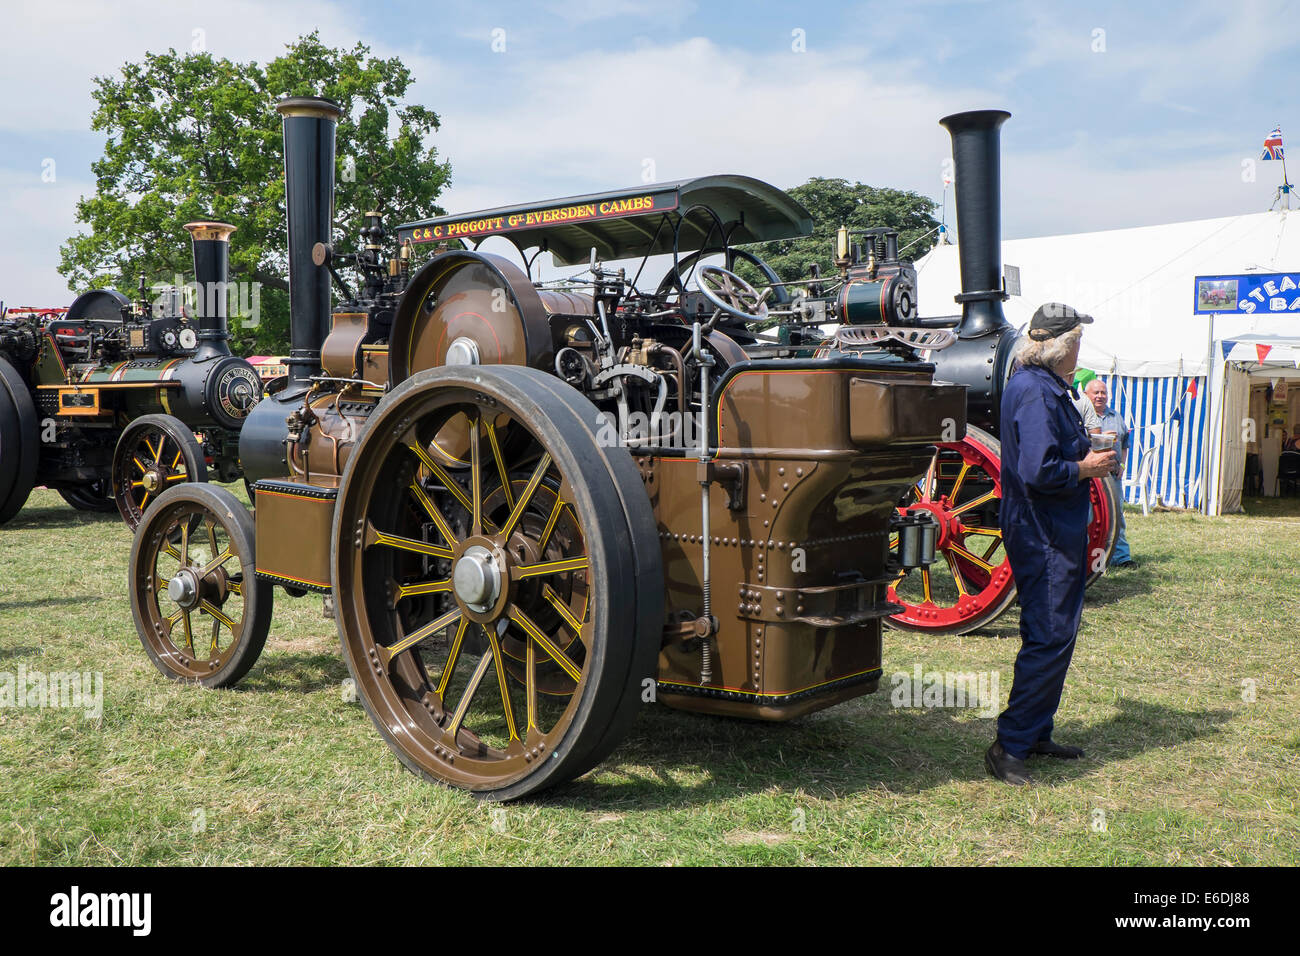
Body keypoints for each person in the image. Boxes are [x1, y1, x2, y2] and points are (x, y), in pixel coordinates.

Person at [986, 303, 1116, 786]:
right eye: (1078, 341)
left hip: (1052, 529)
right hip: (1042, 532)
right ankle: (1010, 746)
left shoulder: (1043, 386)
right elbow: (1039, 472)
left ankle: (1035, 732)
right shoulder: (1036, 393)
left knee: (1055, 633)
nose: (1081, 350)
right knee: (1048, 635)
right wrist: (1086, 468)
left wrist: (1089, 457)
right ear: (1063, 346)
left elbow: (1049, 457)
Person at [1085, 378, 1134, 568]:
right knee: (1092, 518)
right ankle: (1095, 560)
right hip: (1090, 476)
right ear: (1087, 395)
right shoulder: (1082, 415)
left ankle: (1121, 557)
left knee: (1117, 515)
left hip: (1112, 475)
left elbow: (1125, 443)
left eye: (1103, 393)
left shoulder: (1116, 416)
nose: (1100, 396)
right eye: (1095, 393)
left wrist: (1122, 466)